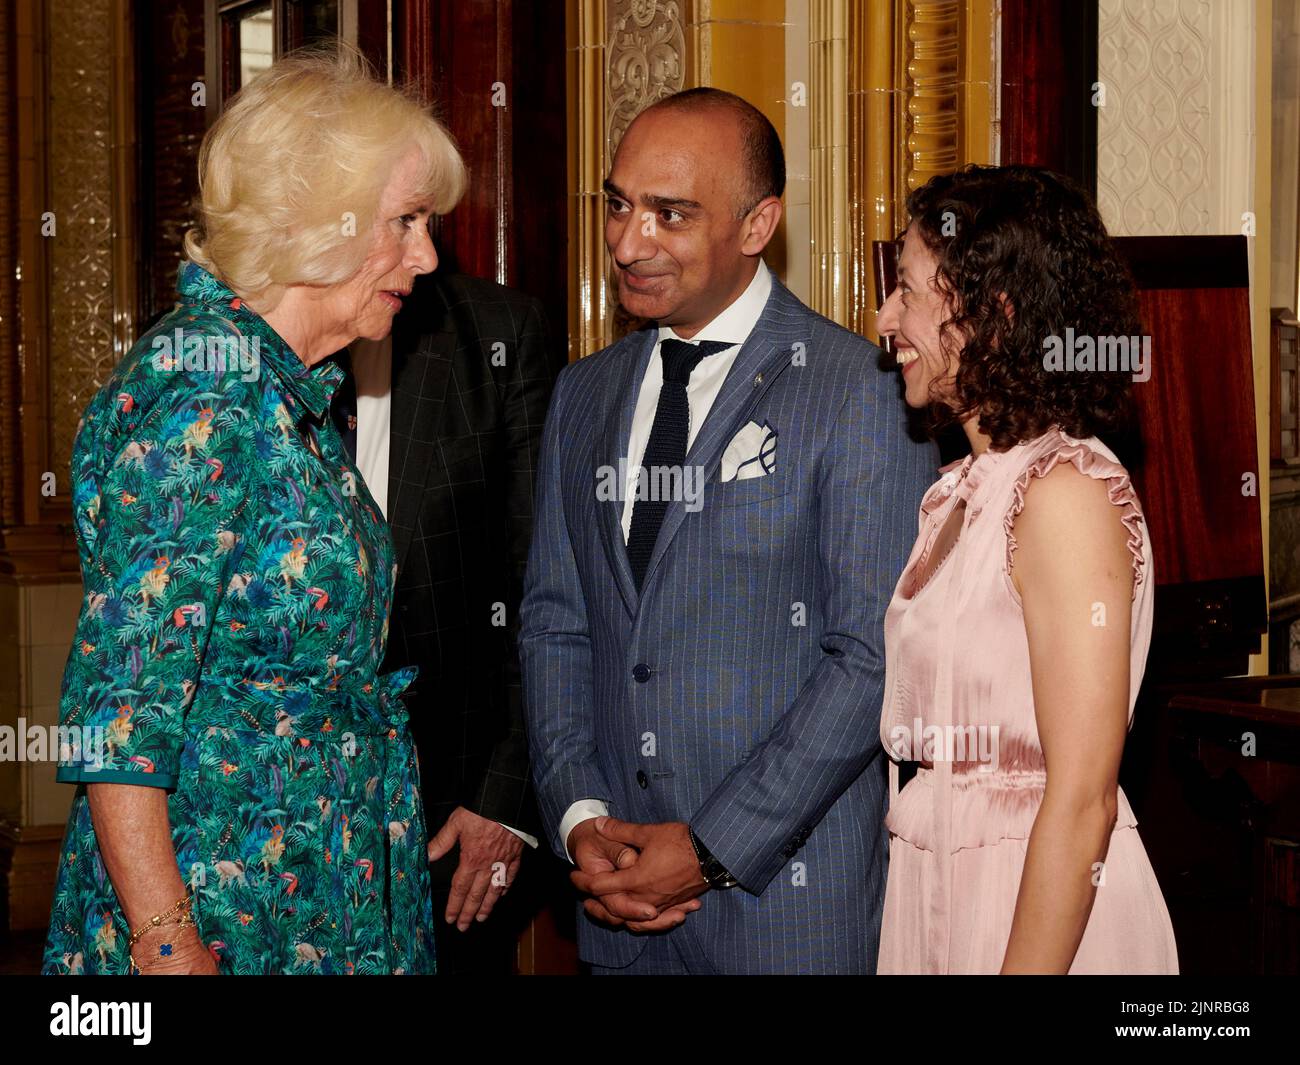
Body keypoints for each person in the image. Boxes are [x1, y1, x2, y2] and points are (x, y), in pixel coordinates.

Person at [41, 47, 465, 975]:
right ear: (318, 218)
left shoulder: (290, 391)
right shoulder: (206, 390)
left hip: (320, 898)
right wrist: (167, 946)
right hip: (217, 916)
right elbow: (122, 716)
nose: (427, 256)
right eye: (406, 221)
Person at [519, 87, 936, 974]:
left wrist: (709, 849)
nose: (630, 242)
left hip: (785, 918)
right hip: (616, 918)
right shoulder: (582, 394)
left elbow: (869, 657)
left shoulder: (857, 387)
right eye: (619, 205)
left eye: (671, 214)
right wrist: (578, 815)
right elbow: (557, 622)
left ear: (758, 225)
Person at [874, 164, 1179, 973]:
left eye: (907, 291)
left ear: (991, 313)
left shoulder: (1065, 492)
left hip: (1038, 927)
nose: (884, 317)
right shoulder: (958, 494)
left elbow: (1081, 801)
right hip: (939, 899)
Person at [333, 270, 560, 973]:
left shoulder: (496, 334)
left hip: (448, 830)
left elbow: (549, 589)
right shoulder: (226, 356)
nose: (425, 250)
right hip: (266, 831)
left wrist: (506, 800)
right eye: (400, 217)